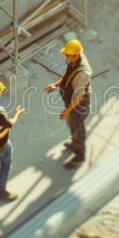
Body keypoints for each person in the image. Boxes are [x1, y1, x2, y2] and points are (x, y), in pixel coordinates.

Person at [44, 39, 93, 169]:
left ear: (76, 55)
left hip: (78, 105)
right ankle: (74, 142)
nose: (66, 57)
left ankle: (79, 157)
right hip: (71, 102)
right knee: (72, 124)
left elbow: (78, 97)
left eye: (68, 55)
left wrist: (67, 111)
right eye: (66, 55)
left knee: (78, 129)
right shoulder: (74, 61)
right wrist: (55, 85)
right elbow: (67, 76)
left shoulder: (82, 74)